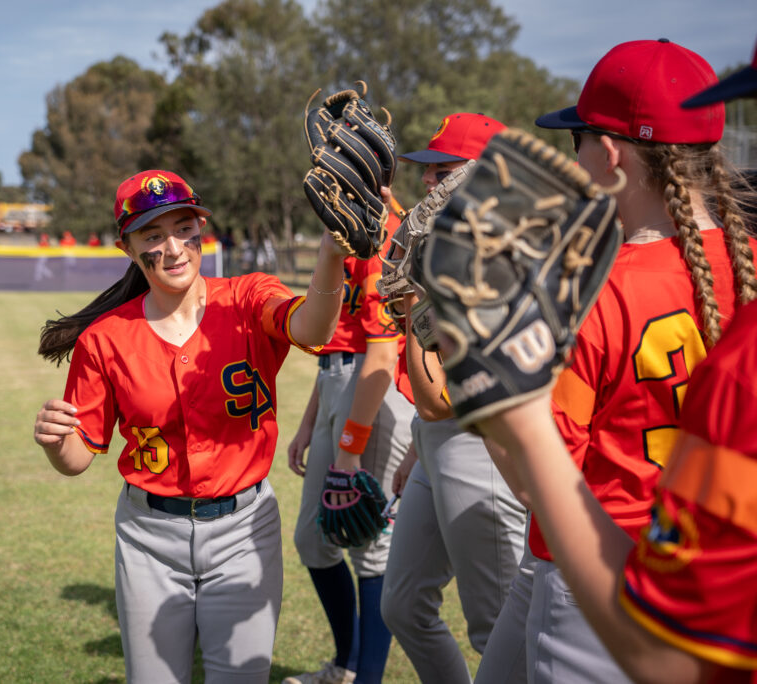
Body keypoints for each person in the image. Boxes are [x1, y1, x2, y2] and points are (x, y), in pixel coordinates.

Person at [480, 38, 757, 684]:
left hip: (598, 572)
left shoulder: (589, 290)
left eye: (578, 140)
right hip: (712, 563)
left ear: (610, 154)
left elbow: (531, 480)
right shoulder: (747, 259)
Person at [32, 169, 349, 683]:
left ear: (203, 228)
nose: (174, 247)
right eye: (153, 235)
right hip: (147, 536)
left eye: (184, 227)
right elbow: (77, 459)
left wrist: (332, 255)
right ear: (127, 247)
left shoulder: (247, 297)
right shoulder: (105, 338)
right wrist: (54, 442)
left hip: (245, 531)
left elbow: (312, 325)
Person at [378, 113, 529, 684]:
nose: (428, 183)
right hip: (438, 437)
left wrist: (414, 300)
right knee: (404, 604)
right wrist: (419, 445)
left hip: (480, 443)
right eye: (427, 170)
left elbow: (443, 396)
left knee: (495, 624)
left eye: (443, 170)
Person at [283, 208, 412, 684]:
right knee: (313, 540)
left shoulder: (383, 230)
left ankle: (366, 676)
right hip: (335, 379)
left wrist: (349, 448)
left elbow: (381, 351)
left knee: (370, 550)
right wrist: (309, 424)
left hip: (371, 392)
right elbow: (336, 342)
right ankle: (348, 664)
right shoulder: (343, 225)